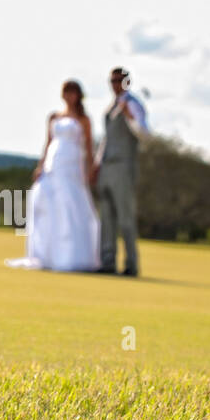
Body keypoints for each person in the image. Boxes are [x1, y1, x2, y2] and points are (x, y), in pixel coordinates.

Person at [6, 80, 100, 272]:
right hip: (53, 163)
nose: (69, 96)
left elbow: (88, 146)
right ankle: (45, 253)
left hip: (72, 165)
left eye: (72, 92)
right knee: (45, 203)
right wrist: (40, 166)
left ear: (78, 95)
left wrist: (90, 169)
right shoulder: (54, 116)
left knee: (69, 206)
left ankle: (70, 255)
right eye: (66, 92)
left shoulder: (84, 119)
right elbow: (47, 143)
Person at [91, 67, 147, 277]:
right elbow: (106, 138)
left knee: (125, 217)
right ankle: (108, 262)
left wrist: (129, 116)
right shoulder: (109, 107)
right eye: (112, 80)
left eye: (119, 80)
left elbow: (145, 134)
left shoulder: (133, 104)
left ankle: (131, 264)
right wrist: (97, 164)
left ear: (127, 82)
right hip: (107, 167)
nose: (115, 84)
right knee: (106, 216)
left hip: (124, 166)